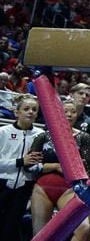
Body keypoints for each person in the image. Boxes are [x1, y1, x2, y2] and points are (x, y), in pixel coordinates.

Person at [29, 99, 90, 241]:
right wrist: (56, 166)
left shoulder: (83, 137)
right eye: (65, 111)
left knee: (84, 228)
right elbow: (31, 166)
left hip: (69, 190)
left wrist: (61, 166)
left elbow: (87, 168)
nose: (69, 114)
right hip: (43, 189)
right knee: (40, 236)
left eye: (73, 112)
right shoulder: (43, 136)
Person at [0, 94, 44, 241]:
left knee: (10, 229)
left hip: (24, 187)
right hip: (2, 184)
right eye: (26, 109)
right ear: (17, 112)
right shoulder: (3, 132)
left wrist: (34, 166)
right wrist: (20, 162)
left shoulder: (40, 135)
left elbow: (40, 163)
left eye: (34, 109)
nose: (30, 112)